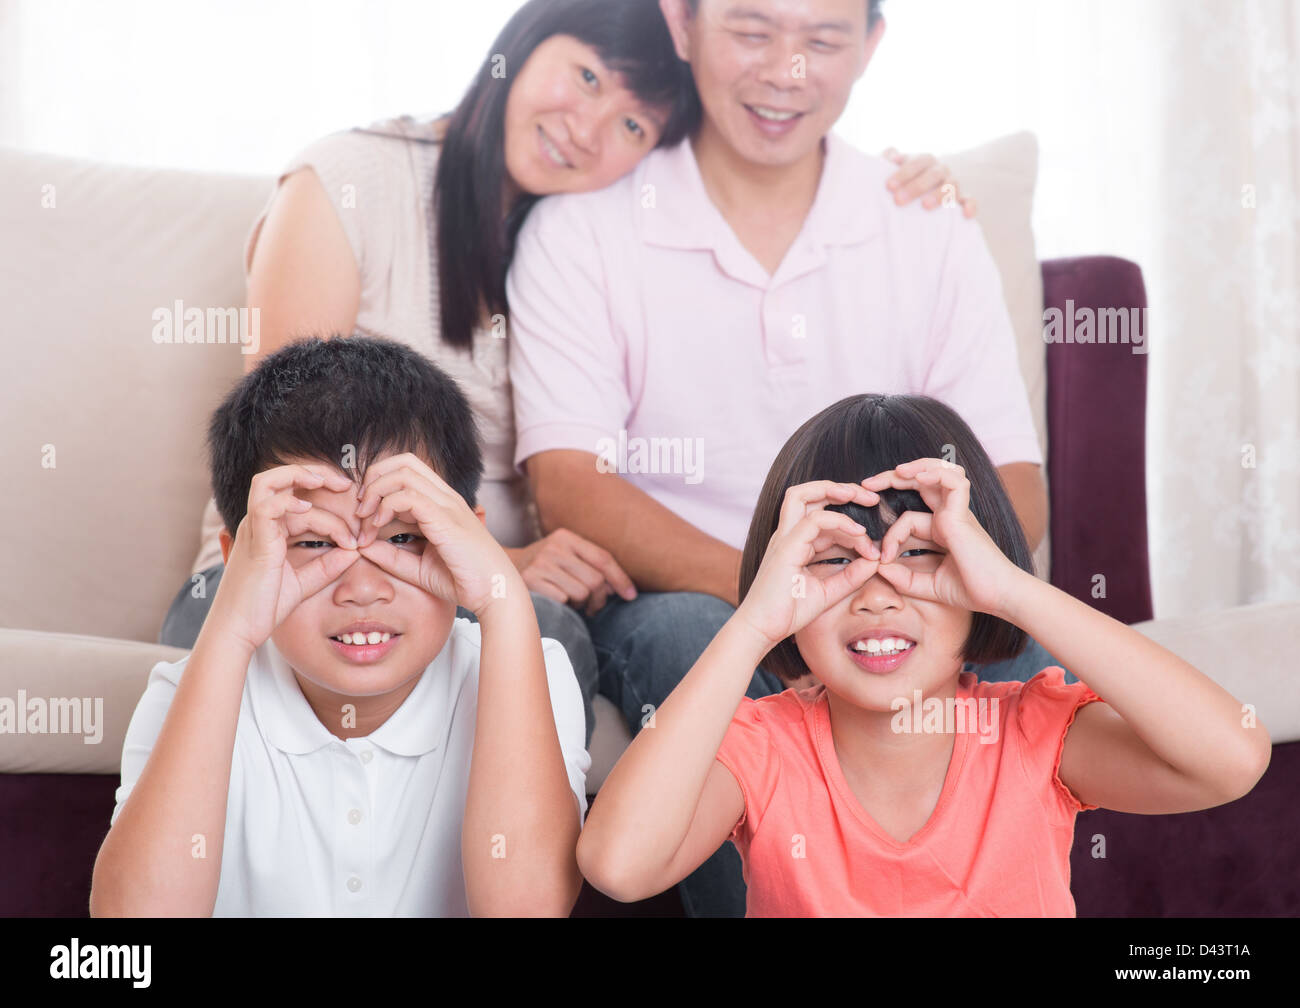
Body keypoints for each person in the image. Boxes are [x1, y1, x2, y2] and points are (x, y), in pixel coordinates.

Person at [160, 0, 972, 750]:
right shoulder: (347, 181)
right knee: (548, 623)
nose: (586, 130)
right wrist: (496, 563)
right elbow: (288, 462)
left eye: (630, 122)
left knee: (548, 630)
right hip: (294, 571)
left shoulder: (579, 235)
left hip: (479, 590)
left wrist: (894, 187)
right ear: (525, 36)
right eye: (583, 76)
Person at [506, 0, 1044, 912]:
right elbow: (569, 481)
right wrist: (783, 599)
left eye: (823, 40)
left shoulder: (924, 219)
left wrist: (903, 582)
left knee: (1012, 650)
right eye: (752, 32)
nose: (786, 72)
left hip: (900, 580)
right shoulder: (585, 228)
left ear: (870, 46)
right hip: (684, 596)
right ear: (682, 26)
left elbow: (1014, 484)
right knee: (694, 641)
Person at [576, 393, 1271, 916]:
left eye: (916, 555)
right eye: (836, 561)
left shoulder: (1030, 736)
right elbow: (618, 864)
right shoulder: (765, 749)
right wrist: (755, 621)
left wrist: (1014, 589)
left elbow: (1232, 757)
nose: (878, 597)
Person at [92, 336, 590, 917]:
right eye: (314, 542)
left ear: (467, 543)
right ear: (239, 561)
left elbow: (524, 910)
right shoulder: (185, 695)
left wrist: (503, 602)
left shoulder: (529, 670)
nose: (362, 588)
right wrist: (228, 632)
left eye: (402, 537)